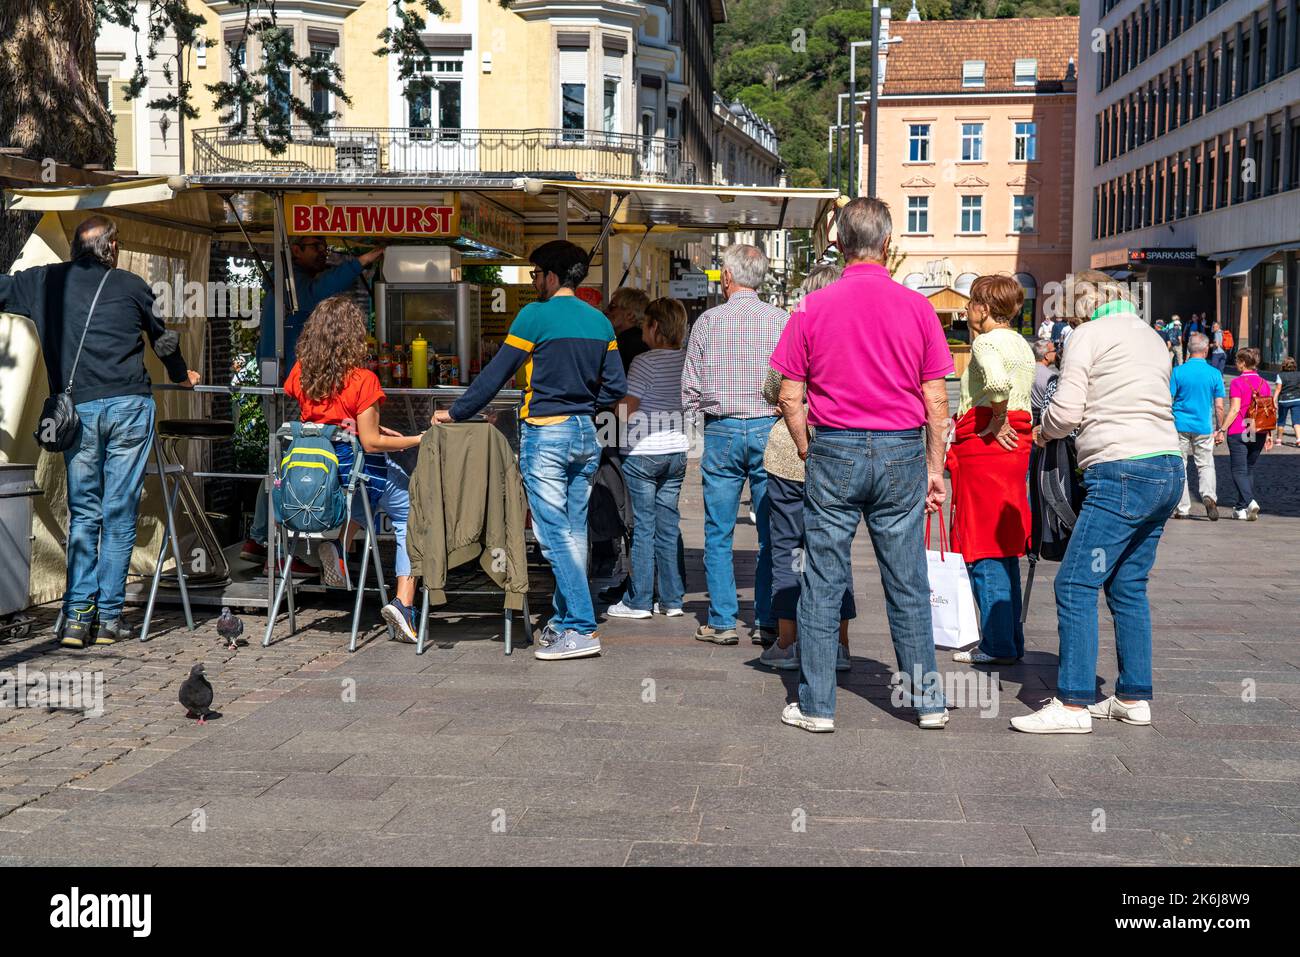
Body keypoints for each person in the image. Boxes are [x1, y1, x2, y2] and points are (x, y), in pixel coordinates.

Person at [769, 198, 954, 733]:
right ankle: (928, 701)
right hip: (900, 450)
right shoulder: (917, 308)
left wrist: (807, 447)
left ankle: (817, 705)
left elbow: (788, 393)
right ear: (888, 245)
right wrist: (935, 467)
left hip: (835, 448)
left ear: (839, 245)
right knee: (908, 581)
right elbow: (936, 400)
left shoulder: (811, 306)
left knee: (823, 579)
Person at [0, 215, 200, 647]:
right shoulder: (131, 286)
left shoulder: (43, 282)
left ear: (75, 247)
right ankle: (109, 620)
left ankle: (76, 618)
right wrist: (183, 375)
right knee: (119, 512)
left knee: (85, 512)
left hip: (81, 411)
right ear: (111, 249)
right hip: (130, 406)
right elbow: (162, 342)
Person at [434, 240, 626, 661]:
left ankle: (581, 625)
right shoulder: (600, 323)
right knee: (573, 531)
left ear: (552, 276)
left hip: (547, 433)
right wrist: (583, 404)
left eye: (535, 274)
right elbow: (616, 387)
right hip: (584, 435)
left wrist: (457, 411)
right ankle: (563, 620)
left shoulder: (534, 317)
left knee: (552, 533)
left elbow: (496, 374)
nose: (533, 281)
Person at [1013, 271, 1183, 735]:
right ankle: (1133, 696)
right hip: (1168, 464)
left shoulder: (1088, 336)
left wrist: (1042, 431)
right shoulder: (1151, 336)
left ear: (1080, 308)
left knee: (1074, 585)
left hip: (1119, 468)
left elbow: (1066, 411)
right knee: (1129, 585)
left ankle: (1071, 705)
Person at [283, 296, 424, 638]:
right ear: (354, 336)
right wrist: (416, 439)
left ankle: (341, 547)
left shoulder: (300, 372)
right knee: (412, 511)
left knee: (364, 490)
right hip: (356, 474)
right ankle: (403, 601)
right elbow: (372, 442)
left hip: (315, 480)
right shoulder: (363, 380)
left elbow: (318, 418)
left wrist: (348, 427)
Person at [242, 236, 385, 565]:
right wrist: (360, 262)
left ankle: (264, 538)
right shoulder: (293, 287)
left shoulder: (289, 287)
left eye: (324, 245)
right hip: (285, 388)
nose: (323, 251)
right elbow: (318, 294)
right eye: (315, 246)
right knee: (286, 463)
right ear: (295, 250)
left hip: (290, 385)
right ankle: (277, 544)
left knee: (283, 460)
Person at [681, 243, 787, 647]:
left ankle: (723, 619)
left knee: (718, 530)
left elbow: (689, 385)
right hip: (768, 428)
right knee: (771, 530)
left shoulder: (708, 321)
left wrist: (696, 422)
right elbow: (795, 378)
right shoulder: (781, 320)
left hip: (722, 430)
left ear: (727, 277)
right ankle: (765, 618)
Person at [755, 264, 856, 674]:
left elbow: (772, 389)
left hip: (790, 458)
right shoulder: (856, 332)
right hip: (841, 452)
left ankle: (787, 643)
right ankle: (839, 645)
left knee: (788, 549)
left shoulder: (801, 323)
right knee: (837, 552)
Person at [948, 275, 1036, 667]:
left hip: (986, 445)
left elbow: (997, 382)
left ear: (983, 308)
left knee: (981, 543)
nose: (966, 310)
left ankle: (997, 643)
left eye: (970, 304)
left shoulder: (985, 342)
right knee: (1004, 544)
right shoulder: (1021, 343)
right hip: (1015, 447)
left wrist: (997, 416)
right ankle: (1009, 638)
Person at [604, 297, 690, 621]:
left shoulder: (644, 361)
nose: (642, 328)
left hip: (642, 454)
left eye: (645, 324)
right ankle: (672, 599)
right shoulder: (686, 360)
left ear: (655, 326)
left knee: (643, 527)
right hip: (677, 451)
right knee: (668, 527)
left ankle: (639, 600)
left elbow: (627, 409)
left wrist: (614, 408)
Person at [1169, 332, 1225, 521]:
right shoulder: (1214, 374)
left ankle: (1182, 507)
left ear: (1189, 349)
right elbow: (1218, 405)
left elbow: (1169, 399)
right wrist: (1220, 428)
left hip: (1180, 424)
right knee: (1206, 464)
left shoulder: (1178, 371)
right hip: (1203, 426)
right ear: (1206, 349)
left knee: (1180, 465)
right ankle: (1209, 496)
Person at [1223, 347, 1274, 521]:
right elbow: (1268, 409)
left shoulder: (1237, 383)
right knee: (1248, 469)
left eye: (1237, 361)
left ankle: (1250, 501)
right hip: (1257, 429)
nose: (1236, 364)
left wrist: (1221, 429)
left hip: (1241, 427)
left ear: (1243, 363)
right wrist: (1268, 434)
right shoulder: (1264, 383)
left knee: (1238, 469)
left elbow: (1235, 409)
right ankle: (1240, 509)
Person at [607, 286, 651, 374]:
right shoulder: (644, 340)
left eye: (612, 307)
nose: (606, 311)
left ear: (630, 315)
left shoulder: (622, 344)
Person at [1030, 338, 1059, 425]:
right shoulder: (1051, 376)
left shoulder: (1026, 370)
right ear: (1046, 355)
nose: (1056, 353)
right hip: (1042, 419)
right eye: (1054, 350)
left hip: (1029, 416)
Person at [1274, 356, 1300, 447]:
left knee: (1281, 420)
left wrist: (1274, 400)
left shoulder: (1280, 375)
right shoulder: (1298, 374)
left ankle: (1279, 440)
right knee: (1297, 421)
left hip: (1284, 400)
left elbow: (1278, 389)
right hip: (1297, 399)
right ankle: (1298, 439)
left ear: (1283, 366)